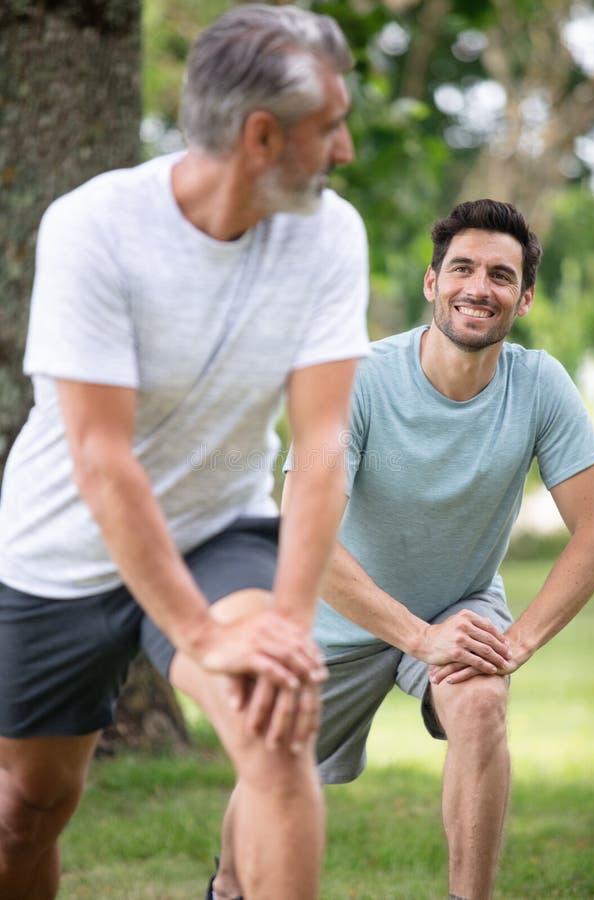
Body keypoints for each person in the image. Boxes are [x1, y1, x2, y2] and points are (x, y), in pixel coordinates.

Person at [0, 6, 372, 899]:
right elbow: (101, 457)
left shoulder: (329, 232)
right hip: (63, 549)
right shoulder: (94, 227)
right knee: (27, 809)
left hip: (217, 530)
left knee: (277, 727)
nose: (346, 150)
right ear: (259, 135)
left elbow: (322, 442)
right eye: (330, 127)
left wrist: (283, 622)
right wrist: (196, 631)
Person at [211, 198, 594, 900]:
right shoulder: (355, 378)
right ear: (432, 283)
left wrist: (518, 642)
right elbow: (307, 534)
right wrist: (419, 638)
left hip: (459, 603)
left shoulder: (539, 384)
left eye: (501, 276)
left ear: (526, 297)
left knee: (482, 705)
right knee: (270, 777)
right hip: (337, 611)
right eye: (463, 268)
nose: (479, 287)